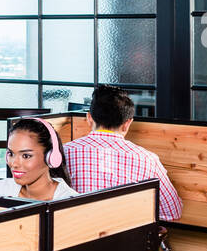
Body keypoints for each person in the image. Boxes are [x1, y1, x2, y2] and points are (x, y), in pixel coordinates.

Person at [63, 85, 183, 221]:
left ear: (89, 118)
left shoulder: (65, 152)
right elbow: (173, 212)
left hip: (74, 237)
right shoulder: (147, 159)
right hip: (128, 240)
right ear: (127, 123)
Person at [0, 117, 79, 201]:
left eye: (26, 156)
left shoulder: (70, 203)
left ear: (51, 157)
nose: (14, 164)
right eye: (11, 153)